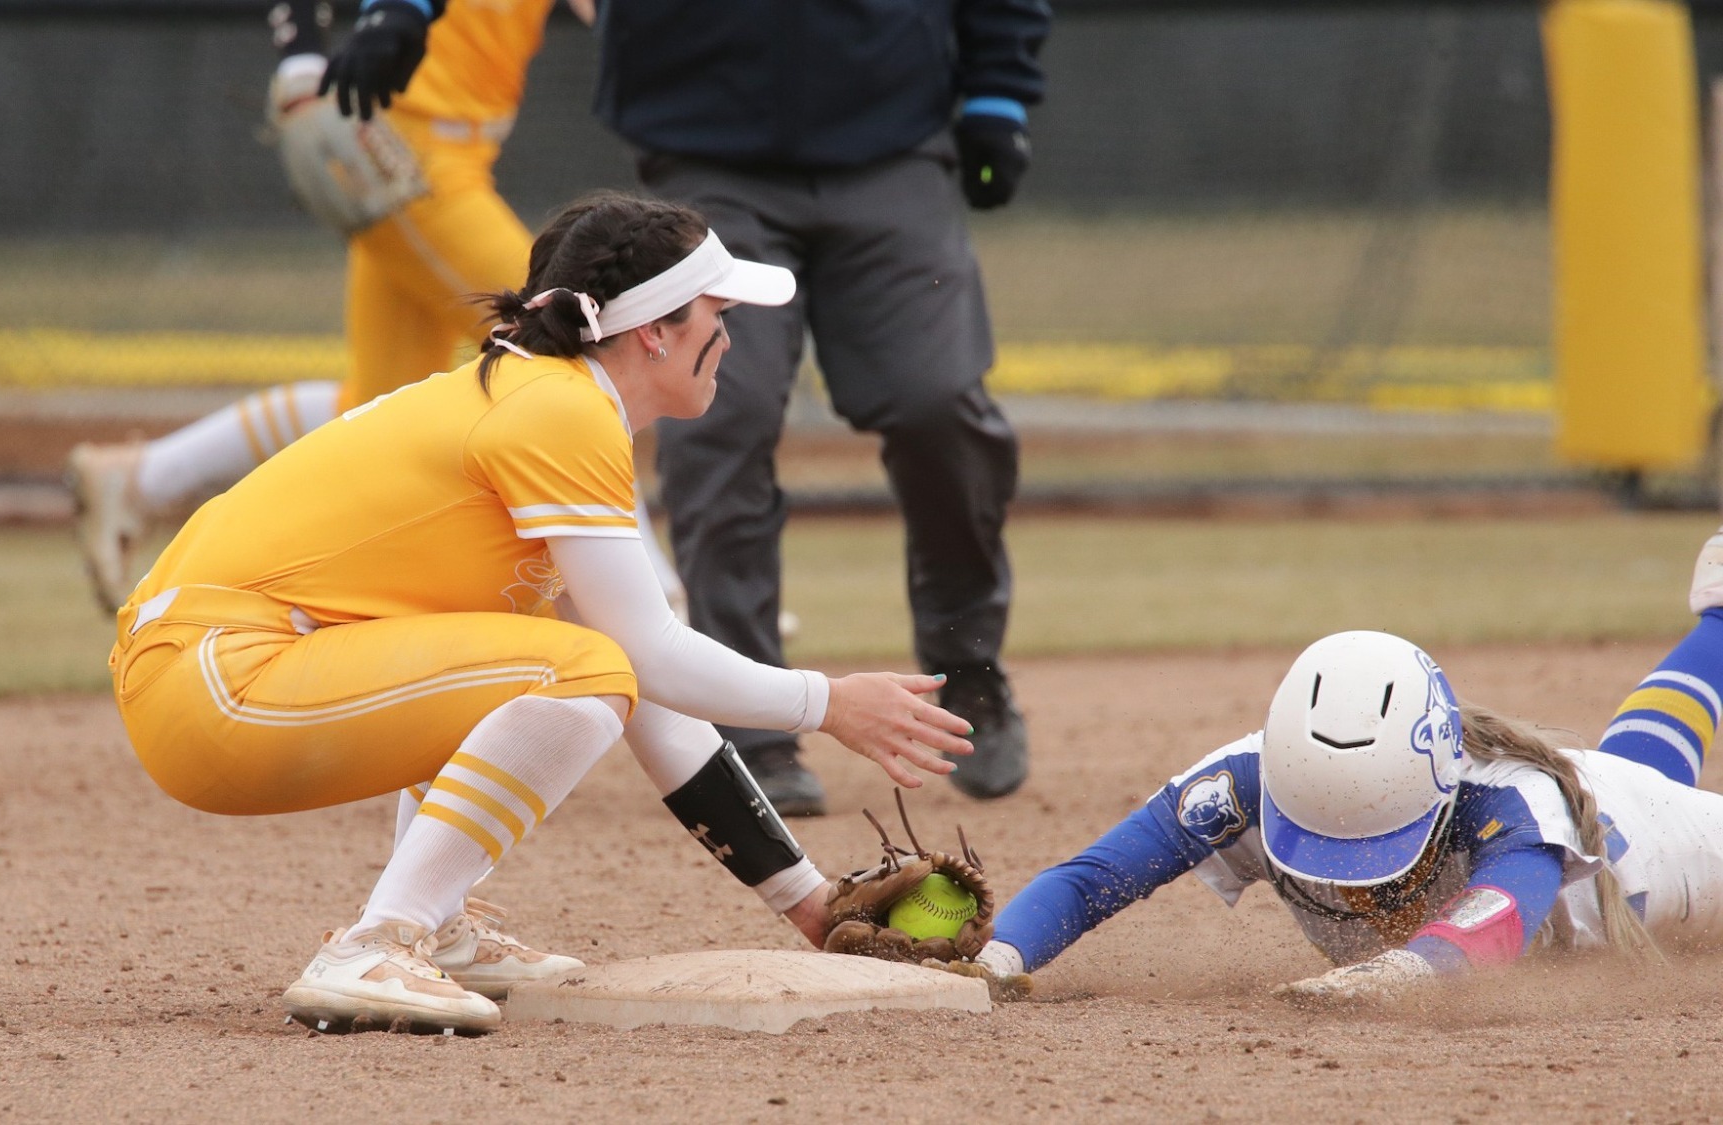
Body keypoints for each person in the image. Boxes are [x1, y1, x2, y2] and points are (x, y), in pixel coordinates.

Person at [107, 192, 977, 1034]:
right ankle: (380, 941)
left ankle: (432, 926)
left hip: (216, 670)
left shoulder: (545, 396)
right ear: (655, 330)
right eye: (716, 311)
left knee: (577, 657)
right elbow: (644, 657)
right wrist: (826, 703)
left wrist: (809, 902)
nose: (726, 333)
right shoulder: (561, 410)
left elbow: (649, 683)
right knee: (584, 668)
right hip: (217, 679)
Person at [65, 0, 686, 622]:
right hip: (402, 148)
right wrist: (302, 58)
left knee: (380, 403)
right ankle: (656, 600)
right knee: (572, 347)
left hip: (448, 156)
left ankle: (141, 479)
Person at [585, 0, 1054, 813]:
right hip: (704, 145)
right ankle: (751, 725)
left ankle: (967, 666)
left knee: (936, 401)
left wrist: (998, 94)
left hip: (892, 136)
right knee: (717, 418)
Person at [958, 531, 1723, 1003]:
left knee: (1650, 788)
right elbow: (1091, 879)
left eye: (1373, 845)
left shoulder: (1514, 810)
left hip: (1661, 859)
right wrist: (998, 955)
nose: (1354, 882)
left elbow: (1491, 927)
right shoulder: (1255, 778)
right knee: (1640, 765)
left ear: (1437, 791)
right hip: (1618, 790)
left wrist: (1401, 976)